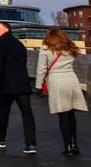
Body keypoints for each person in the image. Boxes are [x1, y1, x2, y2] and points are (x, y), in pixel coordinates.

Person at [35, 28, 88, 156]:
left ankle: (68, 145)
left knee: (62, 114)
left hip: (56, 81)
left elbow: (41, 69)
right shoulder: (69, 48)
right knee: (71, 114)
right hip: (71, 79)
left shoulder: (45, 49)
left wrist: (39, 85)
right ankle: (75, 144)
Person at [0, 22, 36, 154]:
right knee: (27, 114)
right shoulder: (19, 44)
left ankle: (0, 138)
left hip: (7, 85)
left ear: (6, 29)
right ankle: (31, 144)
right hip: (22, 84)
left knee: (4, 111)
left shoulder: (1, 44)